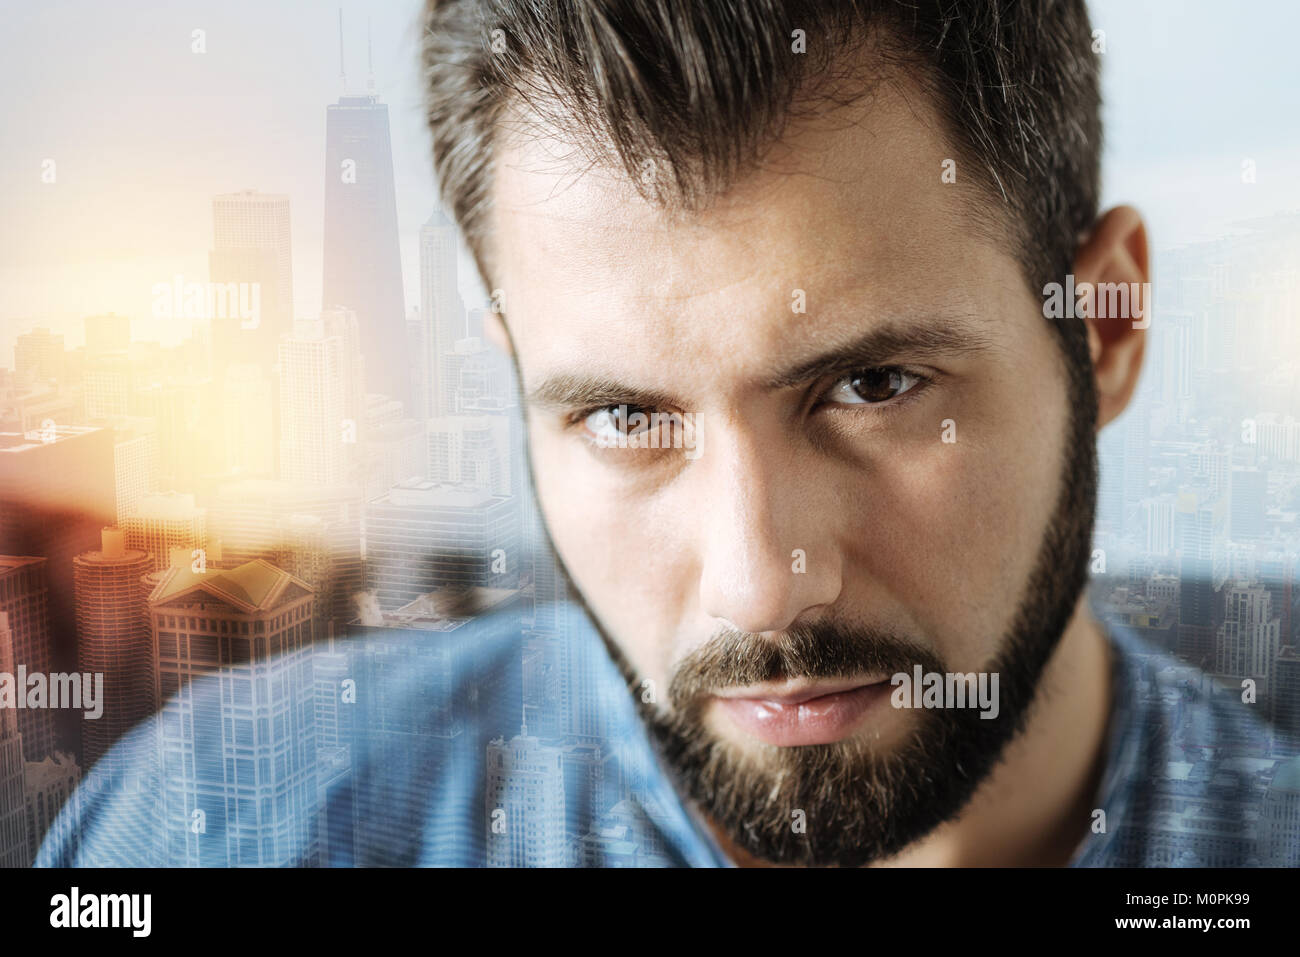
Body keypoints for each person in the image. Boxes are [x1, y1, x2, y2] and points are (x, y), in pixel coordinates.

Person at [39, 0, 1300, 868]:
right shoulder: (222, 827)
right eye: (626, 415)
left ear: (1107, 328)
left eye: (873, 385)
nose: (758, 588)